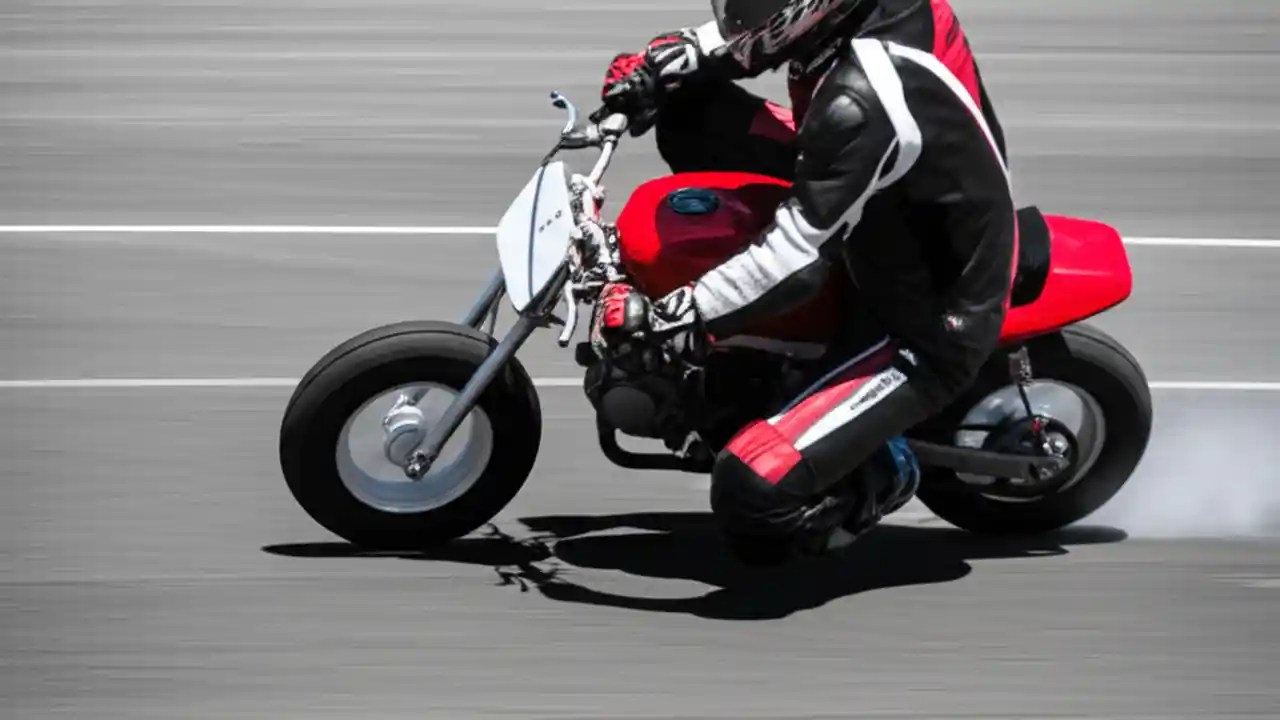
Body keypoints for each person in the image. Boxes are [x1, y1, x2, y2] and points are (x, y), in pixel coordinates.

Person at [593, 0, 1018, 564]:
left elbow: (793, 261)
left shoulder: (859, 101)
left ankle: (881, 469)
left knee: (750, 491)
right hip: (898, 194)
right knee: (688, 106)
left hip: (927, 311)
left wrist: (676, 315)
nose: (739, 10)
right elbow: (753, 37)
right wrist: (664, 64)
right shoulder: (853, 20)